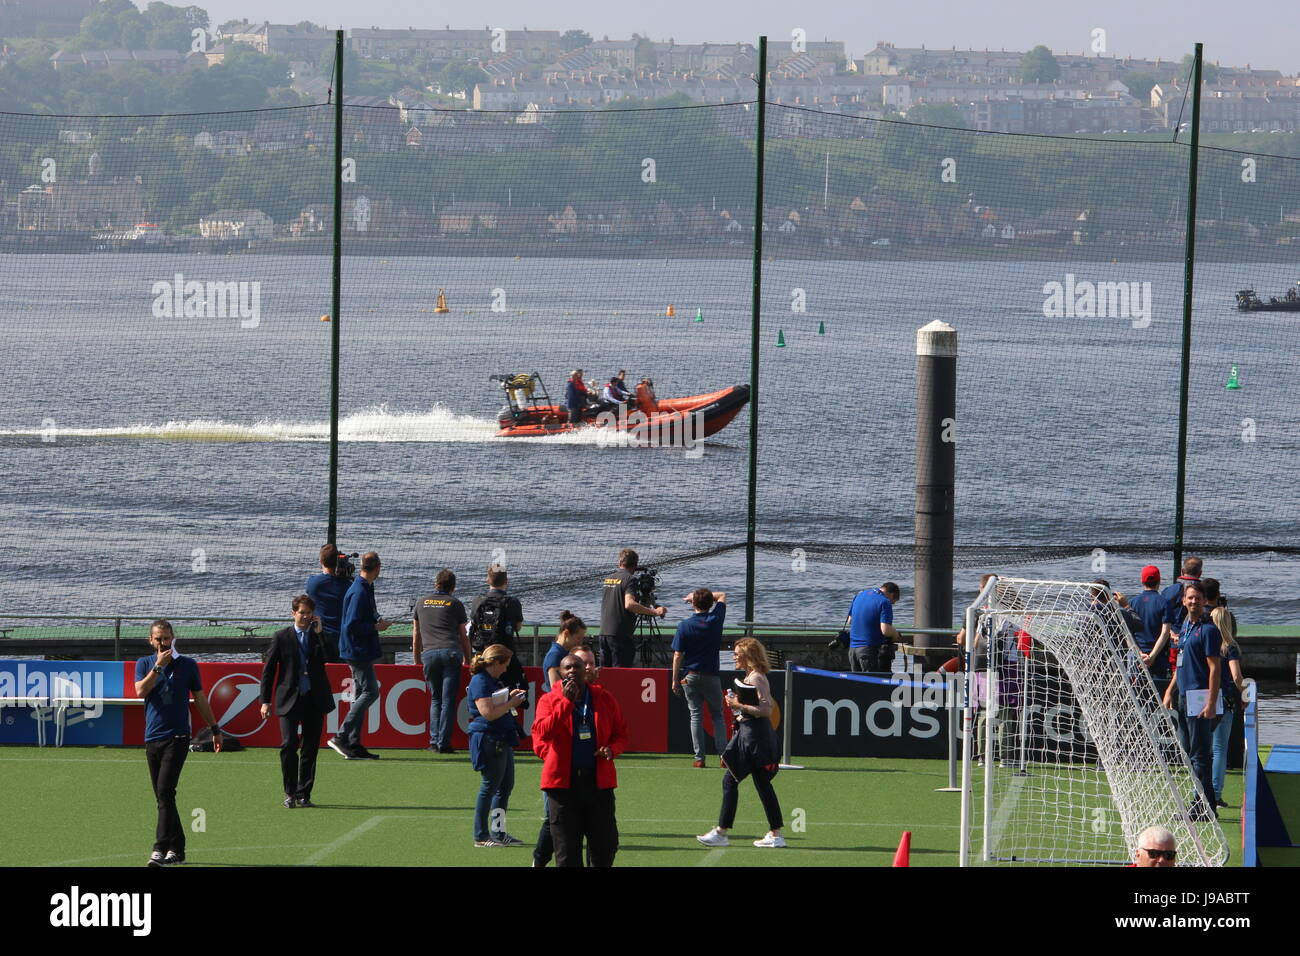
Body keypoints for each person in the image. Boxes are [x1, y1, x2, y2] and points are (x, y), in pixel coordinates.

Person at [134, 619, 222, 866]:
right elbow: (140, 691)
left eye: (167, 638)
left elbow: (201, 699)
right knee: (164, 797)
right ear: (150, 641)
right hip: (153, 738)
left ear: (173, 638)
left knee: (165, 791)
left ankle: (159, 849)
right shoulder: (144, 664)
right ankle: (178, 849)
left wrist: (214, 728)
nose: (163, 643)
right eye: (158, 639)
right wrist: (158, 668)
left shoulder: (187, 665)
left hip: (178, 738)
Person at [532, 654, 629, 866]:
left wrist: (612, 749)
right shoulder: (549, 700)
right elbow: (542, 732)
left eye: (577, 667)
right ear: (560, 673)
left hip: (597, 783)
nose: (572, 672)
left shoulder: (603, 698)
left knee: (605, 848)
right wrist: (566, 702)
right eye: (567, 668)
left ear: (586, 672)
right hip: (563, 787)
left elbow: (621, 734)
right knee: (567, 853)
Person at [697, 638, 785, 849]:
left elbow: (766, 710)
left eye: (737, 653)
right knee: (763, 785)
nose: (734, 656)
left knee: (730, 781)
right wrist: (739, 709)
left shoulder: (756, 678)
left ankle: (721, 832)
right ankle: (775, 834)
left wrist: (739, 705)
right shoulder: (753, 676)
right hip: (754, 737)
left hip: (754, 740)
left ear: (748, 656)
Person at [260, 595, 336, 808]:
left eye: (309, 613)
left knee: (310, 748)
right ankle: (290, 793)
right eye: (302, 612)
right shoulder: (281, 637)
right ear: (293, 613)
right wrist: (265, 701)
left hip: (314, 699)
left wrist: (320, 633)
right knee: (288, 744)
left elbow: (331, 656)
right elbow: (268, 671)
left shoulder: (318, 636)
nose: (305, 616)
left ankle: (305, 794)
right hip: (289, 699)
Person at [533, 612, 589, 867]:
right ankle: (541, 858)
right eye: (578, 638)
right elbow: (559, 692)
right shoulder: (555, 657)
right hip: (558, 732)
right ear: (567, 634)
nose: (580, 644)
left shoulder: (558, 655)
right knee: (552, 815)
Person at [1161, 581, 1221, 818]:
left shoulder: (1209, 630)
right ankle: (1202, 802)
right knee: (1188, 752)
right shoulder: (1186, 626)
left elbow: (1215, 668)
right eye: (1190, 598)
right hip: (1185, 696)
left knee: (1200, 755)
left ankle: (1205, 807)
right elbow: (1181, 663)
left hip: (1200, 698)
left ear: (1205, 600)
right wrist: (1170, 690)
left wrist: (1211, 702)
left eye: (1197, 598)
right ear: (1184, 601)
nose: (1193, 601)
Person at [330, 551, 392, 760]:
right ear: (378, 567)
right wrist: (376, 627)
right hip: (356, 650)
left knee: (360, 693)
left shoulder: (365, 587)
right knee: (371, 692)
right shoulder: (359, 591)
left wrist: (377, 619)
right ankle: (341, 735)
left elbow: (365, 614)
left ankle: (354, 743)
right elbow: (352, 625)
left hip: (357, 648)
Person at [466, 644, 527, 847]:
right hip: (489, 739)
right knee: (489, 787)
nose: (506, 669)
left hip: (502, 737)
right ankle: (481, 836)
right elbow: (488, 713)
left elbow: (496, 706)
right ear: (496, 662)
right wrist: (511, 704)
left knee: (505, 787)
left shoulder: (492, 680)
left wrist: (509, 698)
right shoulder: (480, 681)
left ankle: (498, 832)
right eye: (505, 664)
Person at [413, 568, 470, 754]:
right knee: (447, 700)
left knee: (435, 699)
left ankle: (433, 740)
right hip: (450, 653)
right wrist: (468, 660)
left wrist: (416, 659)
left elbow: (416, 634)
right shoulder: (455, 603)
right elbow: (464, 636)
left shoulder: (421, 603)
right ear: (453, 586)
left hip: (429, 654)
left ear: (436, 583)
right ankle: (444, 743)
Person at [672, 588, 729, 768]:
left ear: (693, 604)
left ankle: (699, 758)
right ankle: (723, 756)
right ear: (710, 603)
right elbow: (722, 595)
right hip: (711, 676)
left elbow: (677, 655)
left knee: (695, 716)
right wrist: (697, 597)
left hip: (690, 676)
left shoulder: (684, 625)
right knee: (718, 716)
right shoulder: (715, 620)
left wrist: (674, 679)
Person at [469, 566, 528, 722]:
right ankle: (508, 726)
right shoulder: (512, 602)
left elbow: (473, 625)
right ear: (506, 581)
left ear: (487, 580)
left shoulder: (477, 601)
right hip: (505, 657)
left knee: (484, 695)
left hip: (483, 656)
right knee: (510, 694)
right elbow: (518, 626)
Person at [598, 548, 667, 668]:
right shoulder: (630, 579)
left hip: (604, 633)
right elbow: (629, 604)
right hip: (620, 635)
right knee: (621, 674)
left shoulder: (609, 579)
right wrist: (654, 612)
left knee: (604, 673)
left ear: (619, 563)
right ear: (635, 565)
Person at [1211, 596, 1245, 808]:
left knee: (1204, 749)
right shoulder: (1229, 647)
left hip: (1205, 697)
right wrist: (1245, 693)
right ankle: (1215, 792)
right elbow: (1236, 676)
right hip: (1224, 700)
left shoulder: (1205, 643)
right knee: (1219, 748)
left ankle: (1203, 792)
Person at [1144, 557, 1203, 671]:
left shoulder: (1169, 590)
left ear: (1182, 571)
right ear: (1200, 573)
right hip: (1197, 639)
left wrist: (1171, 633)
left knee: (1175, 670)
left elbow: (1160, 615)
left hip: (1174, 640)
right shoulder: (1203, 591)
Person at [305, 544, 349, 663]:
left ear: (321, 561)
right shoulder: (347, 585)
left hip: (320, 636)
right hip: (342, 638)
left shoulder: (313, 583)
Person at [844, 582, 902, 673]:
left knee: (857, 684)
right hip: (867, 651)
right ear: (892, 595)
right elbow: (885, 631)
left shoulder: (859, 595)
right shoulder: (884, 602)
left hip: (852, 650)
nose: (892, 604)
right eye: (893, 602)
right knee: (871, 683)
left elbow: (850, 621)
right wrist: (895, 634)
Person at [1131, 565, 1170, 680]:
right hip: (1159, 656)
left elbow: (1127, 633)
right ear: (1159, 580)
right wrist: (1152, 656)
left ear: (1141, 580)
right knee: (1159, 691)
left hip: (1137, 655)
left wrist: (1139, 654)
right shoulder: (1164, 602)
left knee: (1137, 692)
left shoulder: (1132, 602)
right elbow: (1165, 633)